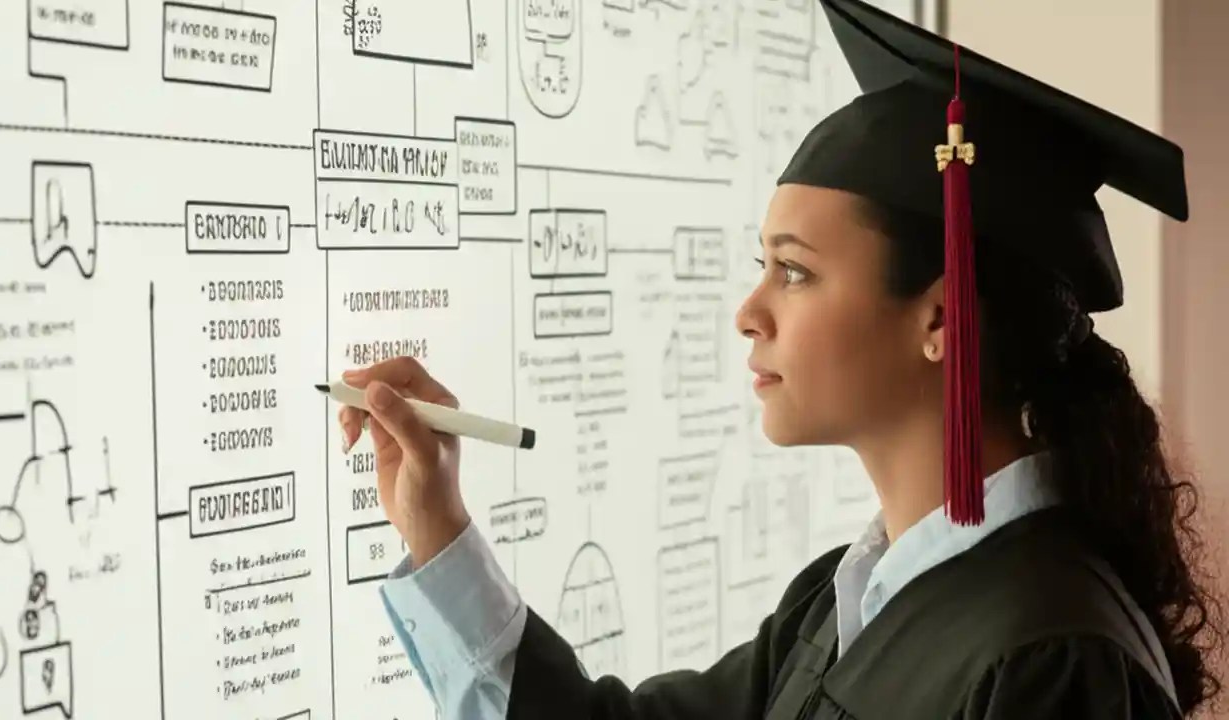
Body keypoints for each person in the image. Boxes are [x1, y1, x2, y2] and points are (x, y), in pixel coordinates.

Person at [336, 0, 1225, 717]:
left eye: (794, 272)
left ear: (942, 319)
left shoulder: (1052, 660)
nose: (748, 313)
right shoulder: (840, 606)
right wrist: (435, 524)